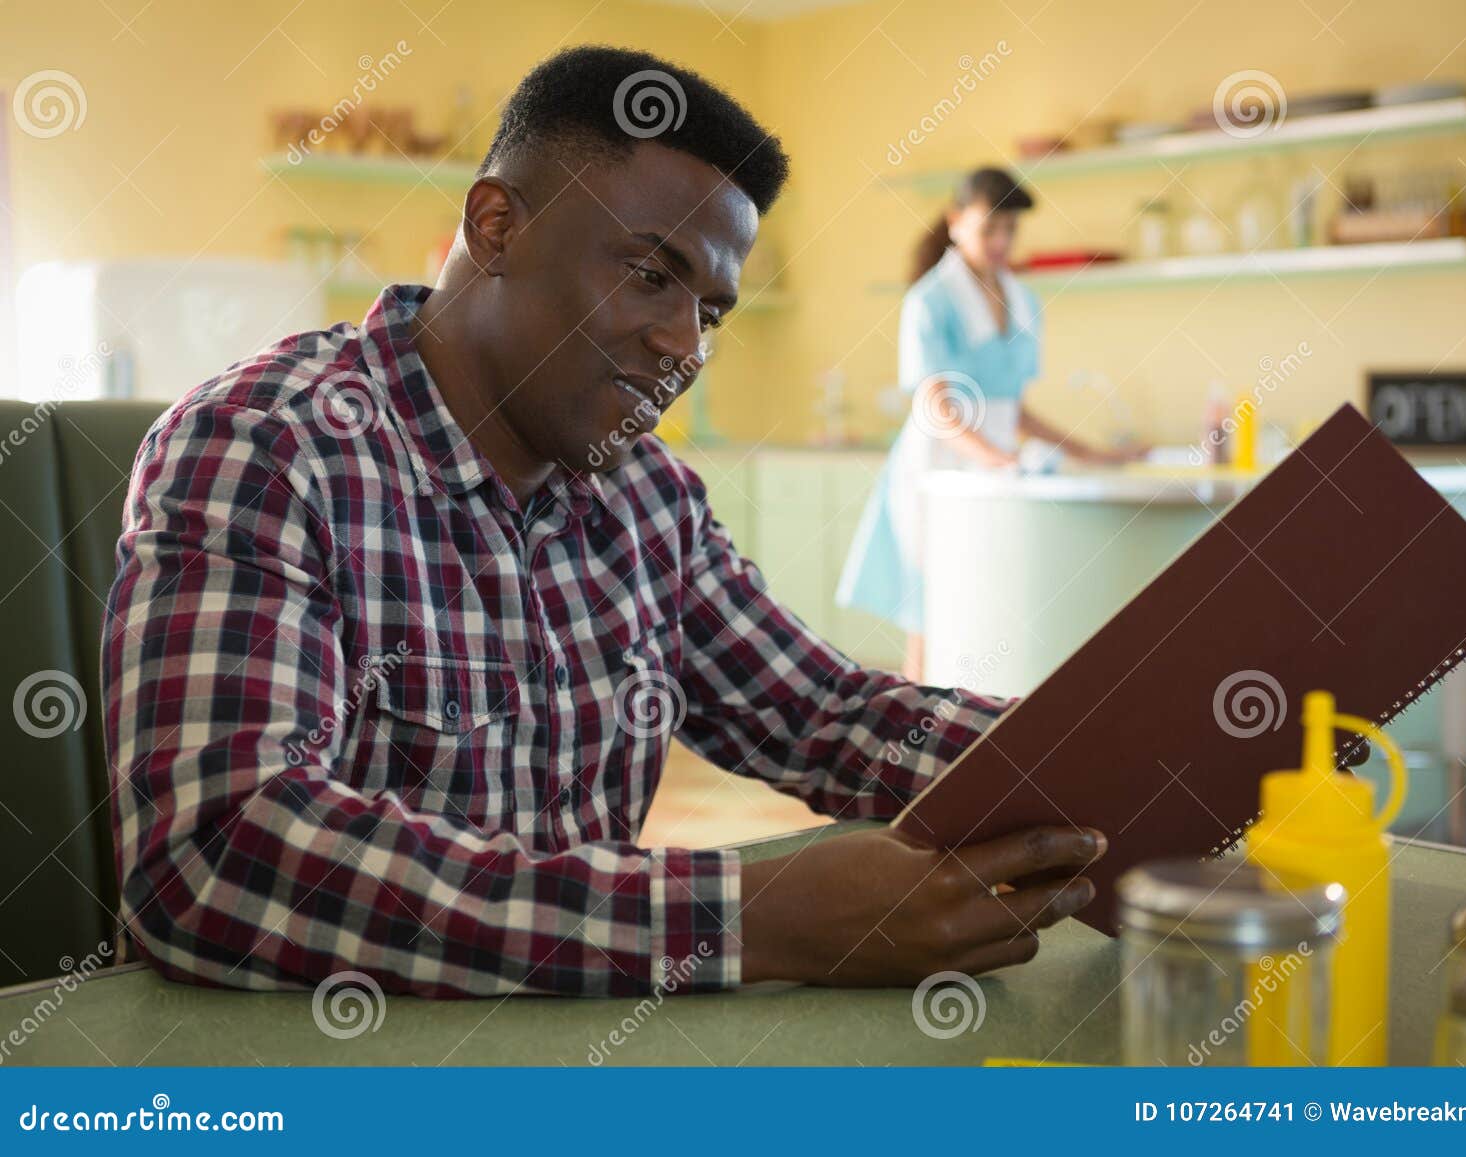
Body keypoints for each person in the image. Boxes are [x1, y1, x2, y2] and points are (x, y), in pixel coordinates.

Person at [101, 46, 1106, 999]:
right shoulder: (270, 448)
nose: (683, 345)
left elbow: (822, 714)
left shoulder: (646, 495)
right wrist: (744, 919)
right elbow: (218, 854)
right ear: (496, 227)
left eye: (710, 311)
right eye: (650, 274)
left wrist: (1103, 757)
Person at [836, 168, 1145, 682]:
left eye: (1011, 230)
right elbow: (937, 409)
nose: (1002, 242)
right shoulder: (929, 302)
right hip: (939, 468)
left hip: (999, 469)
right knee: (933, 616)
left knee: (993, 607)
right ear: (956, 222)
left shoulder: (1023, 301)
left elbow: (1014, 410)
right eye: (989, 229)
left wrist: (1090, 452)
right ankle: (917, 744)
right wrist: (1003, 460)